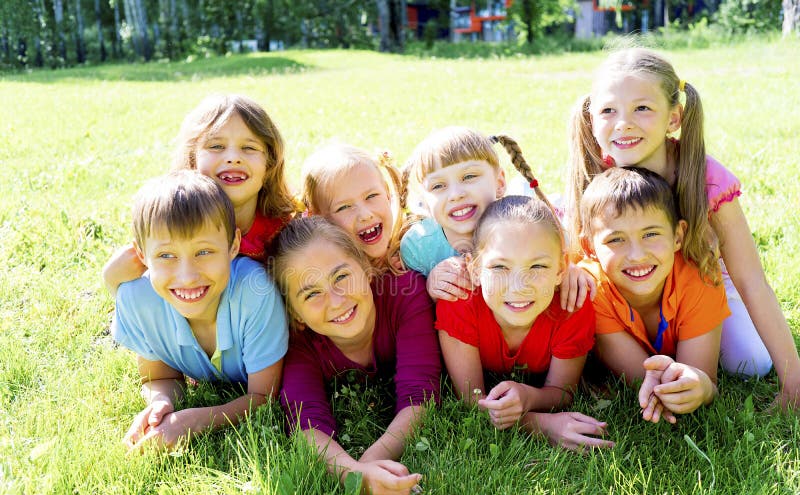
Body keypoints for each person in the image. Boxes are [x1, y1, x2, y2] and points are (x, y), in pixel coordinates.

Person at [565, 47, 800, 408]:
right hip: (625, 283)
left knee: (750, 361)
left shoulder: (705, 179)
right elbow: (576, 251)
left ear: (673, 118)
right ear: (591, 118)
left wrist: (793, 379)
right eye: (608, 110)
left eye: (642, 108)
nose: (623, 123)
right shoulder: (592, 171)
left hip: (702, 279)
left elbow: (750, 278)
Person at [273, 216, 441, 495]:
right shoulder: (300, 344)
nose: (336, 300)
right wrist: (354, 476)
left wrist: (368, 463)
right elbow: (305, 425)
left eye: (341, 277)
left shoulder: (406, 295)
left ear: (366, 268)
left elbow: (420, 396)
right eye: (312, 293)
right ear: (296, 314)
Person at [112, 171, 288, 451]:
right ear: (142, 254)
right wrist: (161, 402)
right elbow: (161, 377)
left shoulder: (254, 293)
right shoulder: (139, 300)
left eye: (203, 252)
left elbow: (263, 396)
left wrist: (197, 420)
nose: (188, 276)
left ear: (233, 245)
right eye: (166, 255)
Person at [436, 195, 613, 452]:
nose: (519, 286)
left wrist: (528, 396)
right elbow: (471, 401)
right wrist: (539, 424)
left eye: (538, 266)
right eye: (500, 267)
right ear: (474, 270)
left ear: (561, 269)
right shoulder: (459, 301)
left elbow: (562, 392)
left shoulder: (571, 305)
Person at [102, 93, 297, 295]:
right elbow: (145, 291)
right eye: (216, 146)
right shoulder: (169, 223)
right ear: (192, 160)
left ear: (269, 164)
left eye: (249, 147)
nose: (233, 158)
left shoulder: (285, 231)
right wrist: (112, 279)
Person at [580, 167, 729, 423]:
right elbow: (644, 378)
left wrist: (701, 388)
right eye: (615, 240)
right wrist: (666, 390)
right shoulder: (590, 290)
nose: (637, 255)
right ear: (588, 246)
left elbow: (703, 378)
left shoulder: (699, 279)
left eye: (650, 234)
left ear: (678, 236)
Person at [401, 126, 594, 310]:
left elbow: (561, 253)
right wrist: (429, 287)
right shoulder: (419, 246)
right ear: (425, 202)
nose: (456, 194)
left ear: (500, 182)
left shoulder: (530, 226)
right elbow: (410, 306)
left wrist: (569, 269)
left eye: (469, 176)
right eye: (438, 186)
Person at [300, 143, 408, 272]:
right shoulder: (325, 275)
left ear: (387, 193)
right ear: (319, 220)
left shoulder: (415, 242)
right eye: (344, 207)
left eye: (371, 196)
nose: (365, 215)